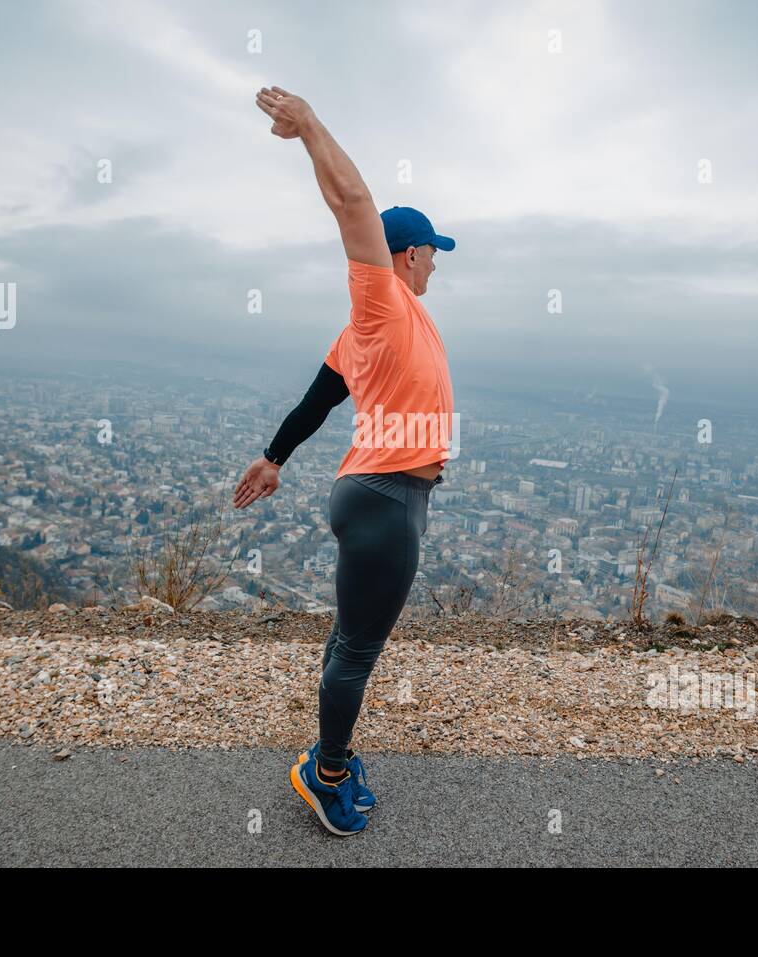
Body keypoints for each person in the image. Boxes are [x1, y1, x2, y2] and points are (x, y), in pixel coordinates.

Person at [233, 86, 456, 836]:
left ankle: (329, 752)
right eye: (432, 254)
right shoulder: (384, 300)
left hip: (380, 493)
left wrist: (273, 457)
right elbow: (353, 203)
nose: (435, 267)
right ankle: (326, 776)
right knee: (358, 649)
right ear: (413, 253)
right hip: (384, 499)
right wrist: (309, 129)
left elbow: (320, 398)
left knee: (347, 638)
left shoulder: (377, 327)